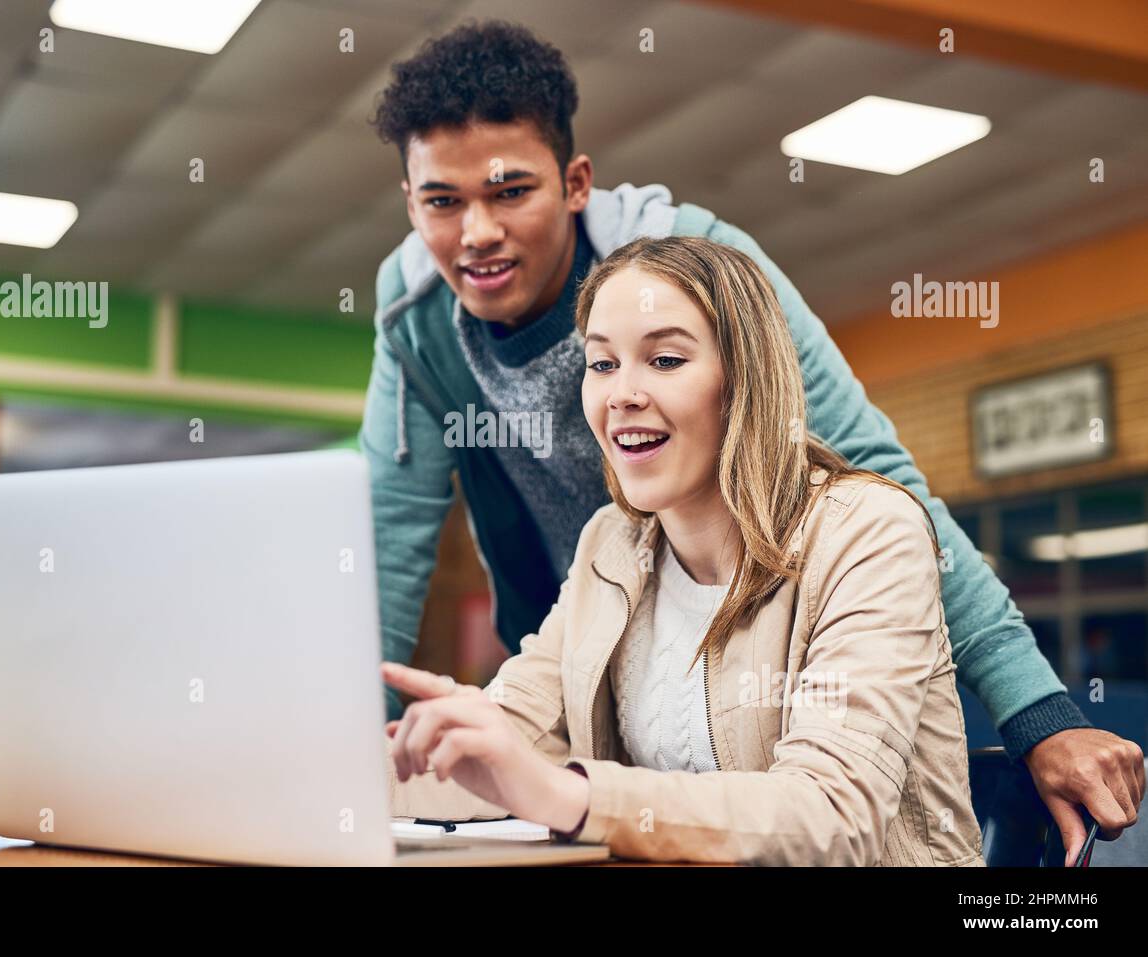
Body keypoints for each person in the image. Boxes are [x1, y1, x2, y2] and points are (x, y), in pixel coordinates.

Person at [359, 20, 1142, 863]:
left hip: (777, 610)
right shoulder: (603, 544)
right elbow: (387, 539)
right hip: (619, 611)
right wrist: (330, 756)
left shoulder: (719, 294)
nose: (476, 230)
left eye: (510, 190)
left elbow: (884, 488)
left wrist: (1038, 712)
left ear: (576, 183)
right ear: (411, 203)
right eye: (443, 200)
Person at [383, 237, 983, 865]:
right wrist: (324, 772)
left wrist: (571, 796)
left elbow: (832, 818)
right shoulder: (610, 544)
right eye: (602, 363)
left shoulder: (866, 533)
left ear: (744, 380)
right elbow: (509, 739)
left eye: (665, 360)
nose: (621, 395)